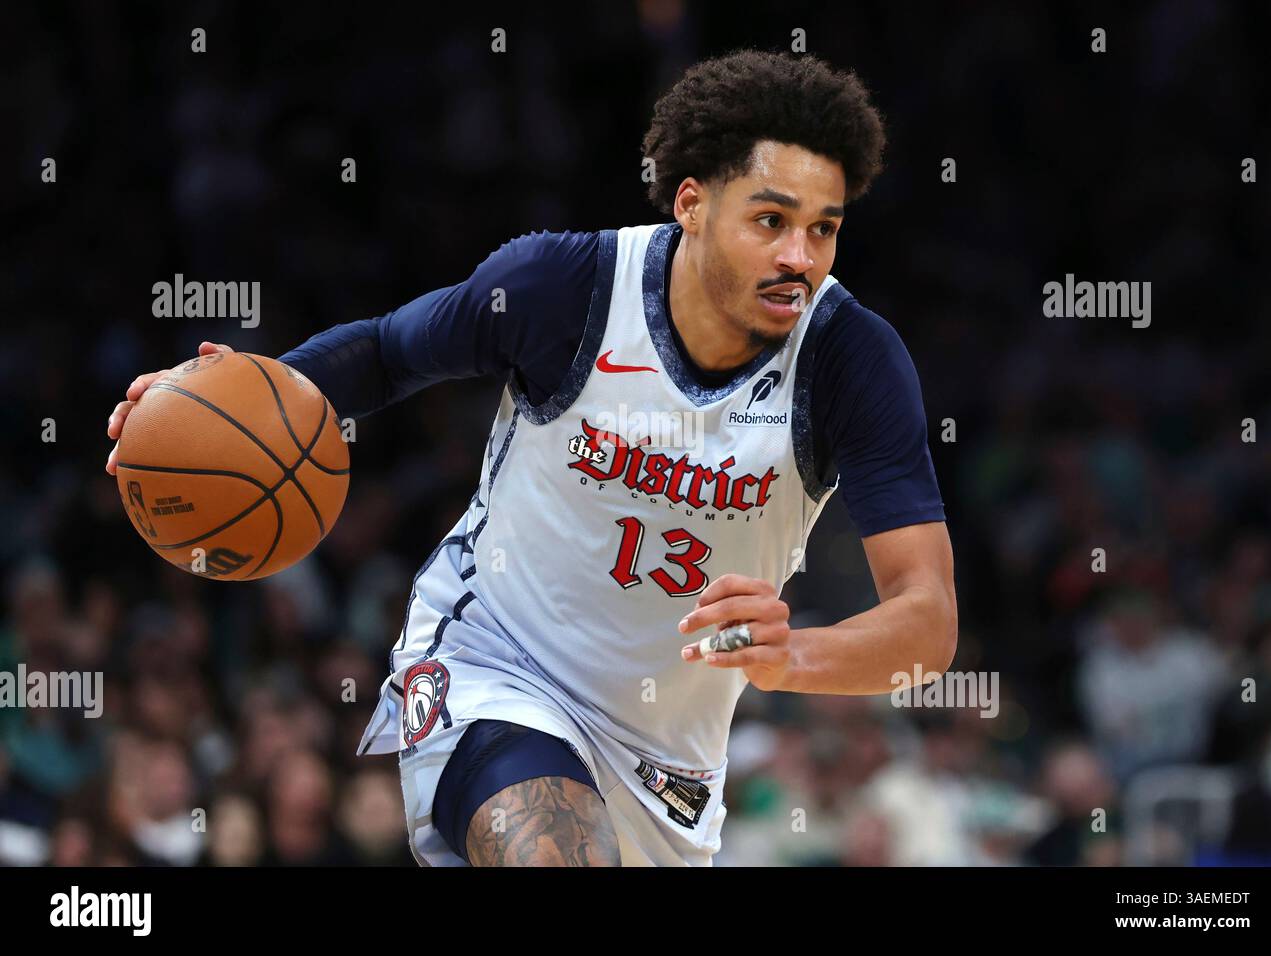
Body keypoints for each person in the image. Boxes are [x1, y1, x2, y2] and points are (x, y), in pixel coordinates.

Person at [105, 50, 957, 866]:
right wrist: (221, 408)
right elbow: (384, 354)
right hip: (492, 664)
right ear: (691, 204)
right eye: (771, 221)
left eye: (824, 230)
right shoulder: (565, 288)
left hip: (666, 761)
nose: (798, 259)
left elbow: (927, 622)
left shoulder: (852, 360)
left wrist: (791, 657)